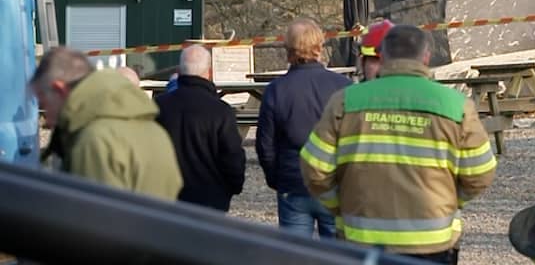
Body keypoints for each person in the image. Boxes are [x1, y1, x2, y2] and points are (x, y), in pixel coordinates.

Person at [302, 25, 496, 263]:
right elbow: (481, 172)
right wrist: (451, 200)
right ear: (426, 56)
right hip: (433, 240)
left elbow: (314, 167)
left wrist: (339, 205)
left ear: (383, 55)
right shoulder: (456, 106)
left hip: (362, 239)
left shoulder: (345, 101)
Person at [30, 47, 182, 199]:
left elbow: (92, 217)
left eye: (43, 104)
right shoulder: (154, 131)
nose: (47, 120)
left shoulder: (93, 143)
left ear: (59, 90)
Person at [256, 18, 351, 237]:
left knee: (294, 255)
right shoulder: (342, 87)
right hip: (333, 181)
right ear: (319, 47)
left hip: (293, 179)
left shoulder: (276, 90)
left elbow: (265, 144)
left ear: (288, 49)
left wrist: (276, 178)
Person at [155, 45, 246, 211]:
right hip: (211, 198)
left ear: (179, 71)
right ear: (209, 72)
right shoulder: (221, 111)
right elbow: (232, 155)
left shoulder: (159, 106)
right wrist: (233, 187)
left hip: (167, 196)